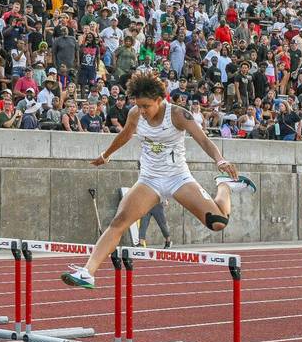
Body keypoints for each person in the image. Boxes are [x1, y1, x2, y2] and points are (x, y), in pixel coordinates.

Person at [61, 71, 253, 290]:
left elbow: (203, 140)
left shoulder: (178, 115)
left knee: (217, 223)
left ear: (160, 100)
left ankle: (224, 186)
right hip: (149, 179)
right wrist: (107, 154)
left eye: (146, 106)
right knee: (119, 221)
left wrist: (220, 160)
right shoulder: (135, 113)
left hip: (178, 177)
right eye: (138, 106)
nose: (142, 111)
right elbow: (126, 134)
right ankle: (88, 272)